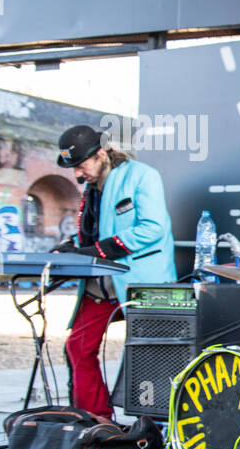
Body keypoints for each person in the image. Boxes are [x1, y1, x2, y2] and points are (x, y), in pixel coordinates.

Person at [52, 125, 176, 420]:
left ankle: (153, 428)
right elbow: (94, 232)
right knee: (78, 346)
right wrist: (71, 245)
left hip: (142, 279)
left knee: (151, 357)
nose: (78, 175)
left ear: (101, 154)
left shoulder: (142, 176)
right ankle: (95, 419)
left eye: (81, 166)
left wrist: (96, 251)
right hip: (101, 284)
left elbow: (153, 228)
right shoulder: (92, 188)